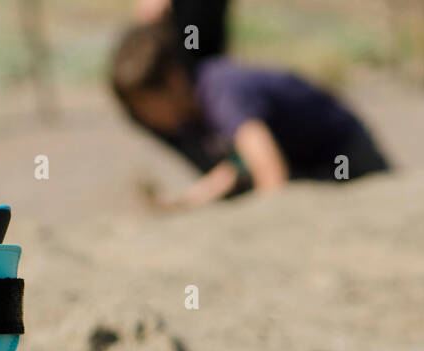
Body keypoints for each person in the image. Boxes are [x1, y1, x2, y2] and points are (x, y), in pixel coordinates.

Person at [111, 21, 390, 211]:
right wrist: (188, 201)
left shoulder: (224, 91)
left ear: (172, 81)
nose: (143, 117)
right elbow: (239, 163)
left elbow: (270, 173)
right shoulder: (203, 101)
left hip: (349, 161)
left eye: (144, 105)